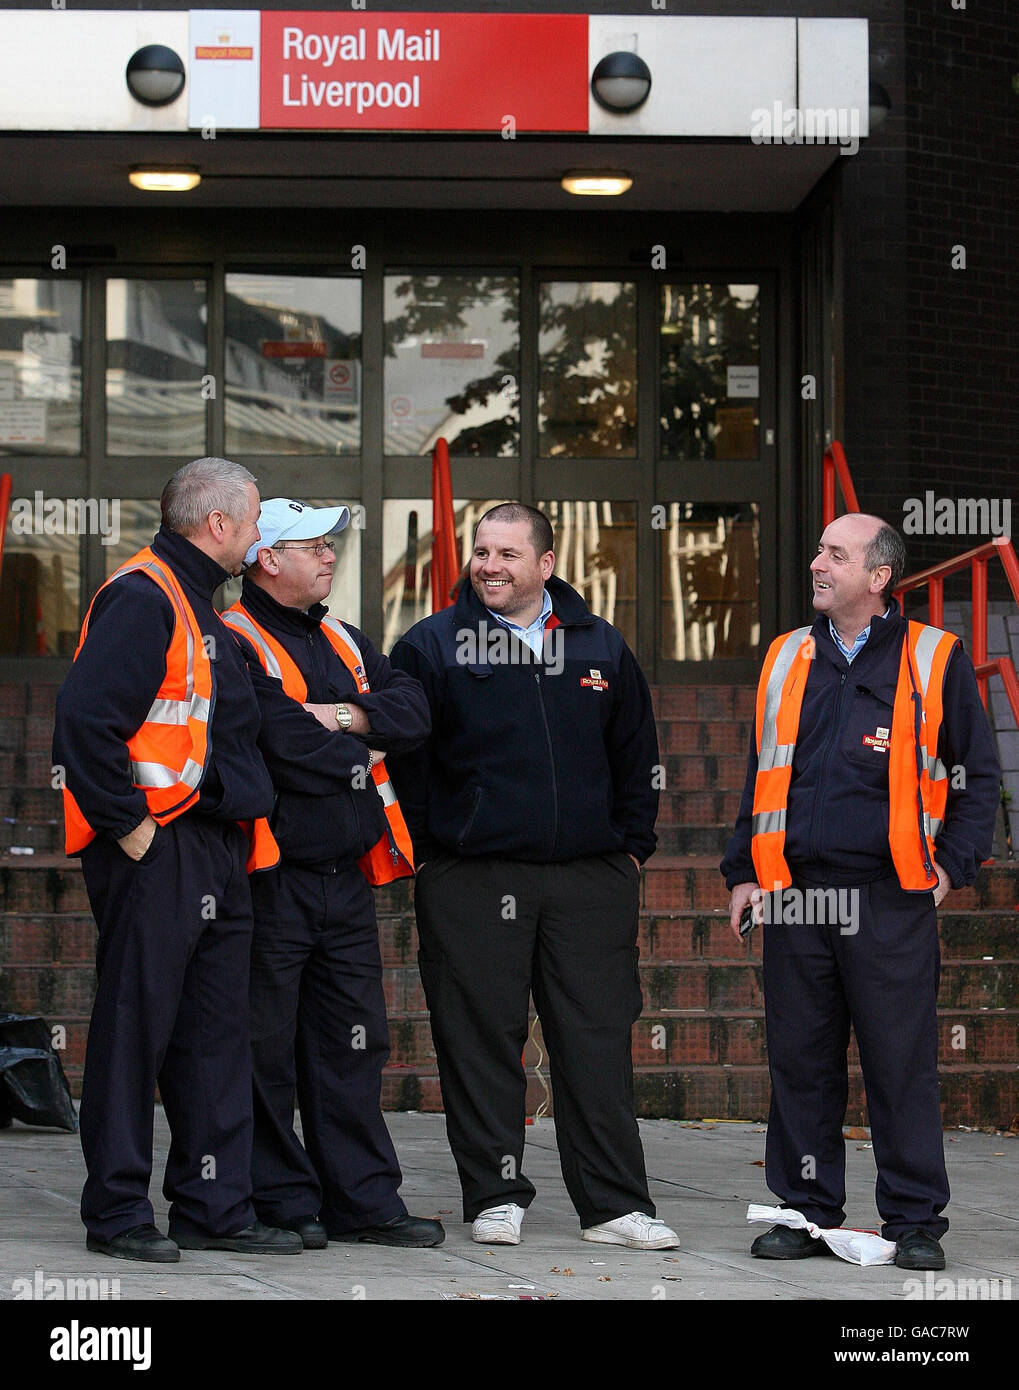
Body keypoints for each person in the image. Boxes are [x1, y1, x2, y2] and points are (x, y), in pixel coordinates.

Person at [388, 502, 679, 1250]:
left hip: (588, 881)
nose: (489, 565)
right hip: (472, 879)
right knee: (479, 1039)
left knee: (596, 1040)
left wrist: (628, 852)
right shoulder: (431, 645)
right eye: (481, 551)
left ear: (545, 564)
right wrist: (434, 854)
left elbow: (635, 755)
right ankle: (494, 1194)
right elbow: (406, 763)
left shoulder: (598, 646)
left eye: (508, 554)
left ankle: (614, 1206)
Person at [720, 512, 1000, 1271]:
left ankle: (912, 1221)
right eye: (817, 549)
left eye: (834, 555)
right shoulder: (784, 657)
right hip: (795, 894)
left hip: (886, 897)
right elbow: (760, 777)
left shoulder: (931, 656)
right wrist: (743, 869)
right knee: (800, 1061)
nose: (816, 563)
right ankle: (805, 1212)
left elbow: (976, 777)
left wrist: (951, 868)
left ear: (877, 578)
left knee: (898, 1062)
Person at [52, 457, 303, 1262]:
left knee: (216, 1037)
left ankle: (211, 1206)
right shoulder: (143, 594)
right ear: (219, 525)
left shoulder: (200, 603)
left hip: (217, 852)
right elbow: (84, 726)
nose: (261, 535)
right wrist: (135, 833)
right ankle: (119, 1213)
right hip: (161, 851)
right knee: (136, 1032)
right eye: (256, 519)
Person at [221, 499, 444, 1249]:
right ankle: (279, 1199)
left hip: (344, 878)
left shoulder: (345, 638)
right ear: (266, 558)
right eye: (314, 546)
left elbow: (414, 713)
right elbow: (276, 740)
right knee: (263, 1044)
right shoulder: (233, 638)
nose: (329, 557)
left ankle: (363, 1201)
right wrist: (365, 737)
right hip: (269, 878)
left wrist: (343, 717)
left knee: (354, 1042)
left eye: (331, 545)